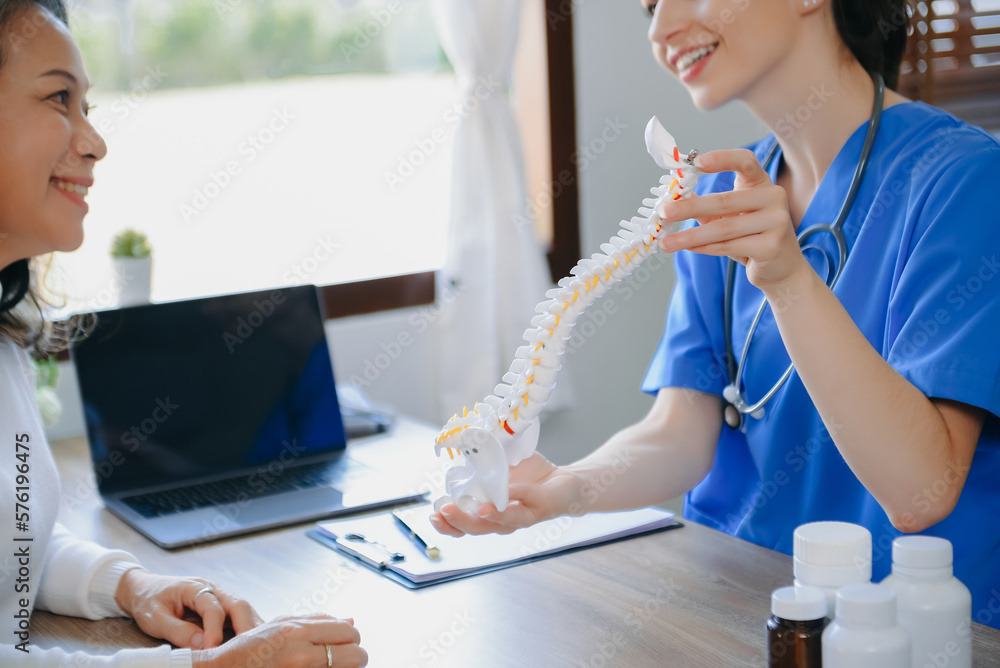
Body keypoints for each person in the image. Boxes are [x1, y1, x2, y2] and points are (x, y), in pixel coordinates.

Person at [431, 0, 1000, 629]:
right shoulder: (721, 197)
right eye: (649, 7)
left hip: (902, 630)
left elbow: (919, 491)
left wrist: (789, 282)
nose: (660, 28)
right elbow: (681, 432)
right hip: (743, 601)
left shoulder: (964, 181)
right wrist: (564, 488)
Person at [0, 1, 369, 665]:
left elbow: (16, 544)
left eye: (88, 107)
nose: (95, 142)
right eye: (59, 98)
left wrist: (128, 585)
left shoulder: (6, 352)